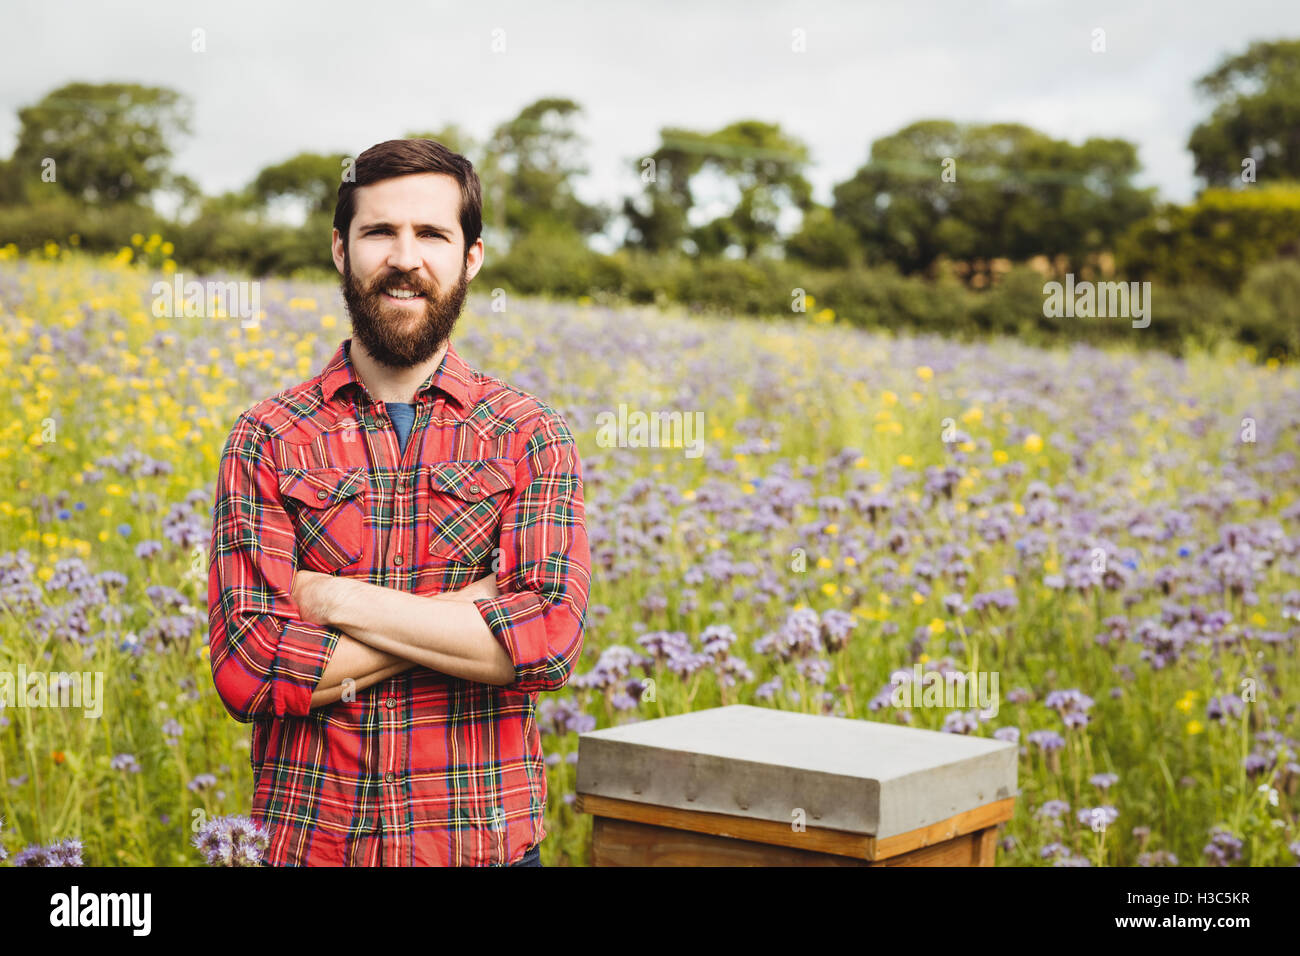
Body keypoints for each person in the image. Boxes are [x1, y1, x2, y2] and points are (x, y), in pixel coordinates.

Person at [207, 139, 590, 866]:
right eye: (379, 231)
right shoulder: (269, 438)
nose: (404, 258)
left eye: (433, 234)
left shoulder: (529, 436)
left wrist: (332, 599)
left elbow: (547, 645)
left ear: (471, 257)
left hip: (485, 851)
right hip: (310, 849)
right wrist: (471, 618)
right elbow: (249, 670)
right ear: (339, 249)